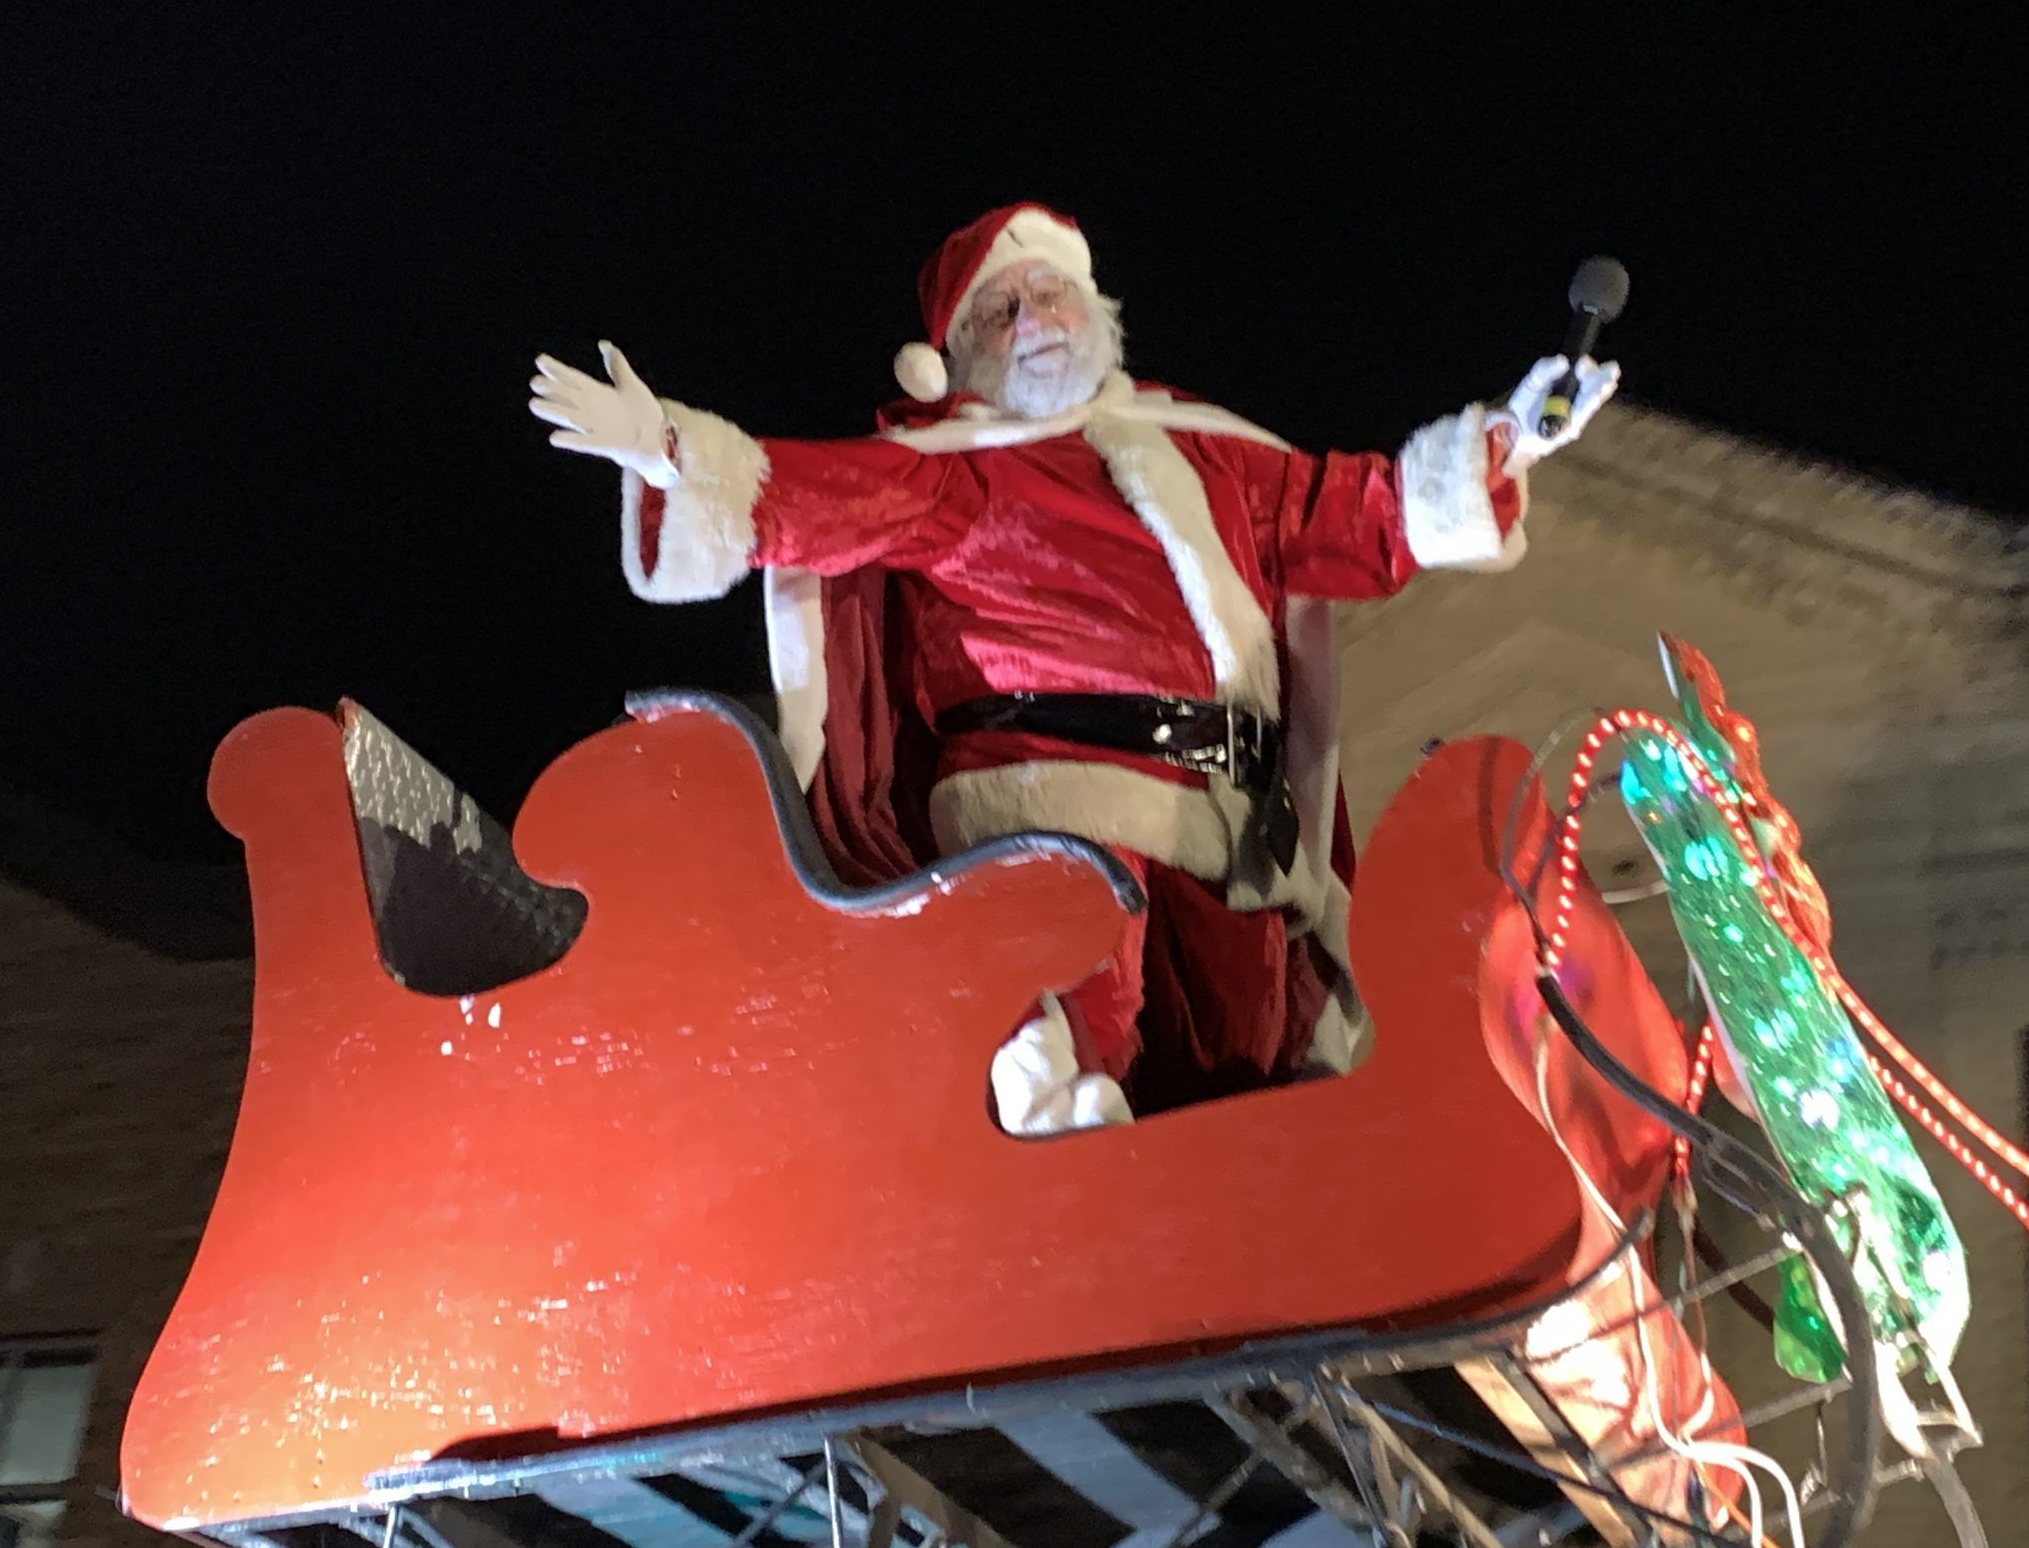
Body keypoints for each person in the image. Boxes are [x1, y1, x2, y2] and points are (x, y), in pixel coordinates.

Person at [528, 203, 1618, 1131]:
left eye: (1048, 294)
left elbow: (1365, 517)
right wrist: (664, 449)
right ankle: (1049, 1160)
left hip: (1228, 818)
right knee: (1070, 1000)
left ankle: (1261, 1224)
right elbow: (801, 502)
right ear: (957, 361)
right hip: (1048, 793)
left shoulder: (1209, 452)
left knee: (1247, 1059)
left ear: (1095, 312)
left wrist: (1506, 442)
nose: (1033, 319)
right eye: (1000, 311)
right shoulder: (949, 473)